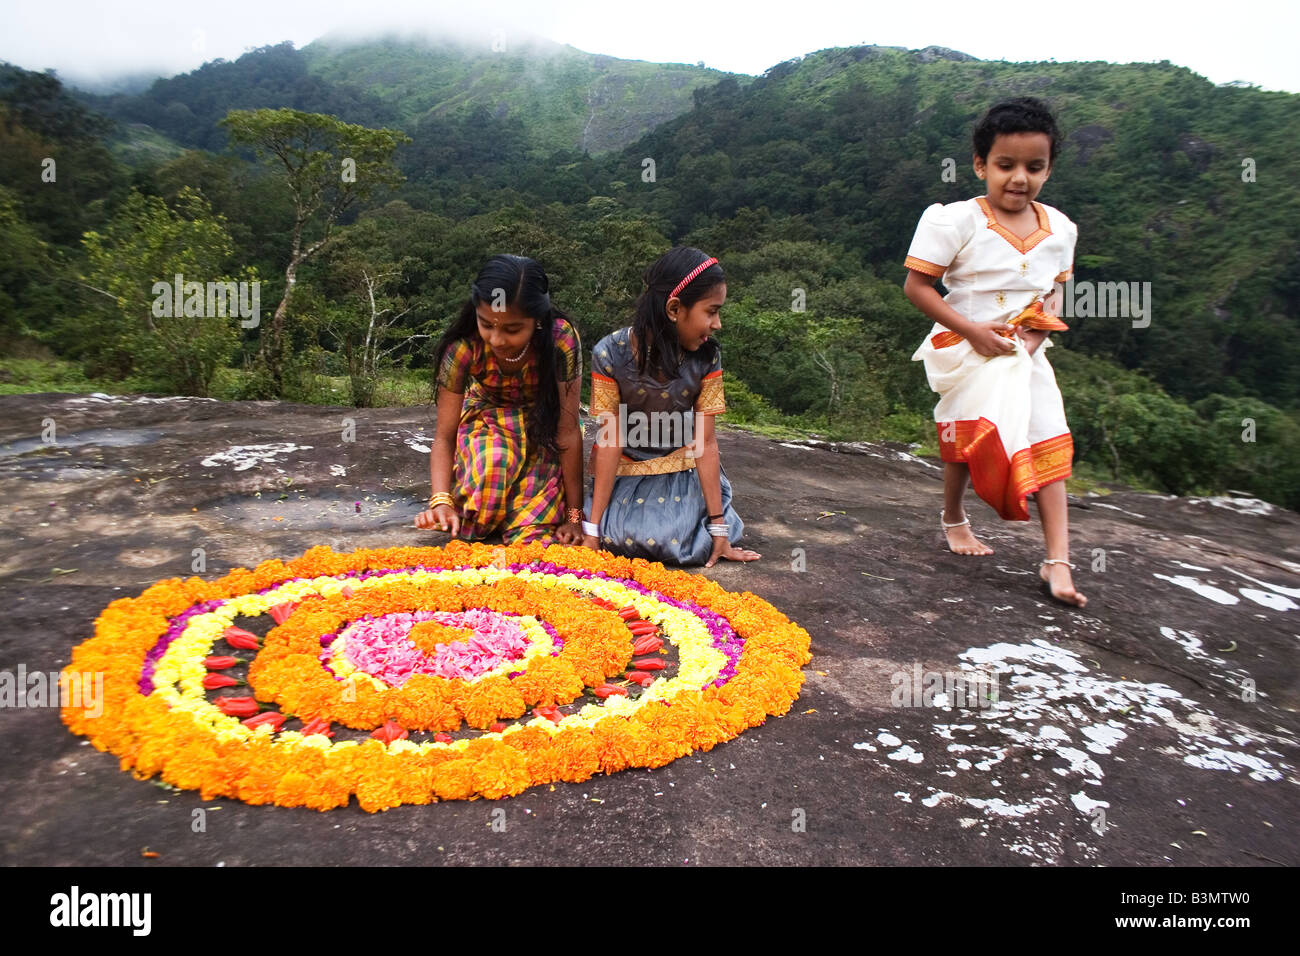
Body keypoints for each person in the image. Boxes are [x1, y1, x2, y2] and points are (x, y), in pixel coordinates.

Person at [902, 97, 1086, 607]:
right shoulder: (954, 221)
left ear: (1049, 168)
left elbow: (1054, 293)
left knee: (1047, 434)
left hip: (1023, 354)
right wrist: (975, 331)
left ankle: (1058, 560)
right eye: (1005, 165)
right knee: (970, 436)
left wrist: (1036, 336)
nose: (1019, 178)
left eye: (1034, 166)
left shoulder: (1061, 229)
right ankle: (954, 516)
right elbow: (918, 287)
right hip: (965, 347)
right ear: (981, 164)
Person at [583, 247, 760, 568]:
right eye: (711, 311)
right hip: (625, 469)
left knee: (681, 542)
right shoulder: (609, 354)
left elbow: (704, 443)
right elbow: (610, 441)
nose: (717, 324)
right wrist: (592, 532)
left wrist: (719, 529)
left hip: (682, 469)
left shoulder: (706, 358)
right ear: (675, 309)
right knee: (615, 537)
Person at [414, 254, 584, 545]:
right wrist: (441, 500)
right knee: (493, 467)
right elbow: (444, 436)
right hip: (489, 420)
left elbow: (567, 432)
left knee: (532, 533)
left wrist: (575, 517)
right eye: (486, 324)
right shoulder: (463, 347)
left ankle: (518, 511)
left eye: (512, 329)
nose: (496, 340)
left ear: (538, 321)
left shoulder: (560, 340)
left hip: (542, 423)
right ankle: (474, 510)